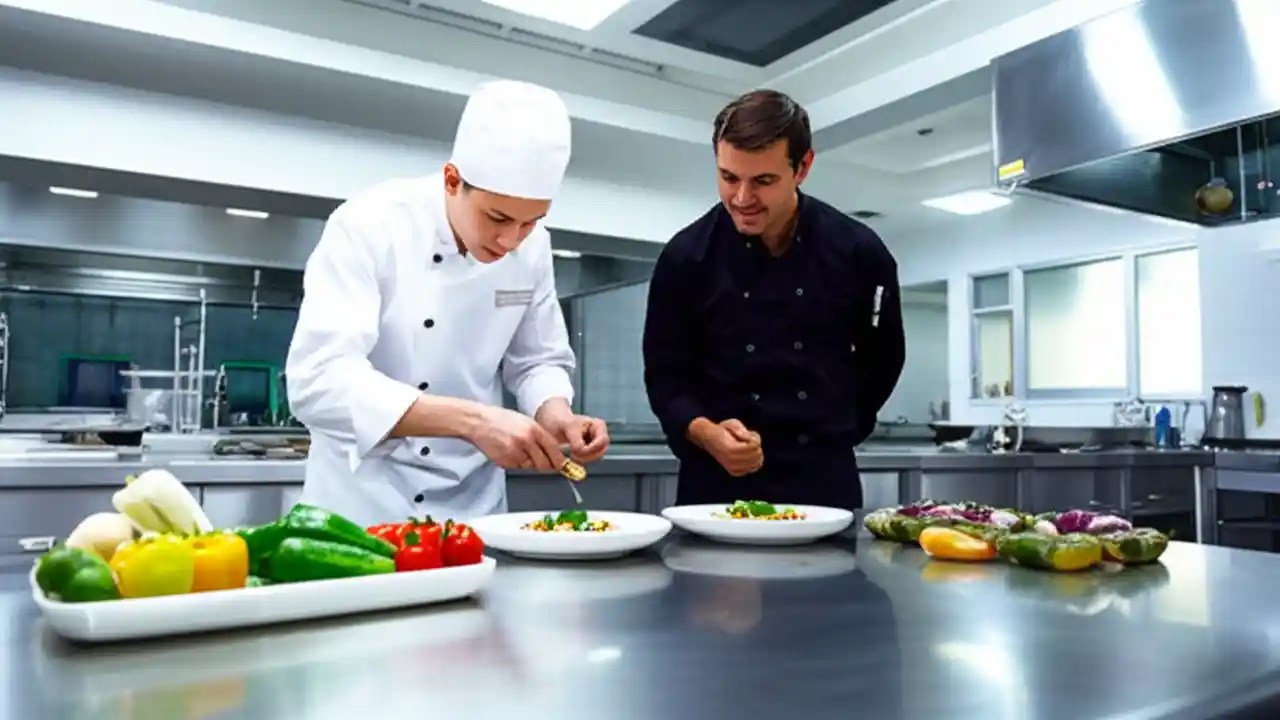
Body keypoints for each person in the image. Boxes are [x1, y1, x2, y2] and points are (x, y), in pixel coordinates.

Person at [286, 79, 610, 526]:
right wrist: (475, 422)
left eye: (531, 222)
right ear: (452, 180)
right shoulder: (368, 226)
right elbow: (318, 381)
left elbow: (537, 360)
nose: (511, 240)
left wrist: (556, 413)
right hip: (363, 505)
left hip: (472, 509)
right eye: (497, 217)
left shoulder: (533, 249)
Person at [642, 89, 905, 511]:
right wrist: (706, 433)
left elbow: (884, 360)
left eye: (763, 181)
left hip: (821, 482)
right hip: (715, 484)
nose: (742, 198)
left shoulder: (859, 252)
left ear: (803, 167)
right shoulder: (685, 257)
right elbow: (665, 375)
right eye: (729, 177)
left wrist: (832, 429)